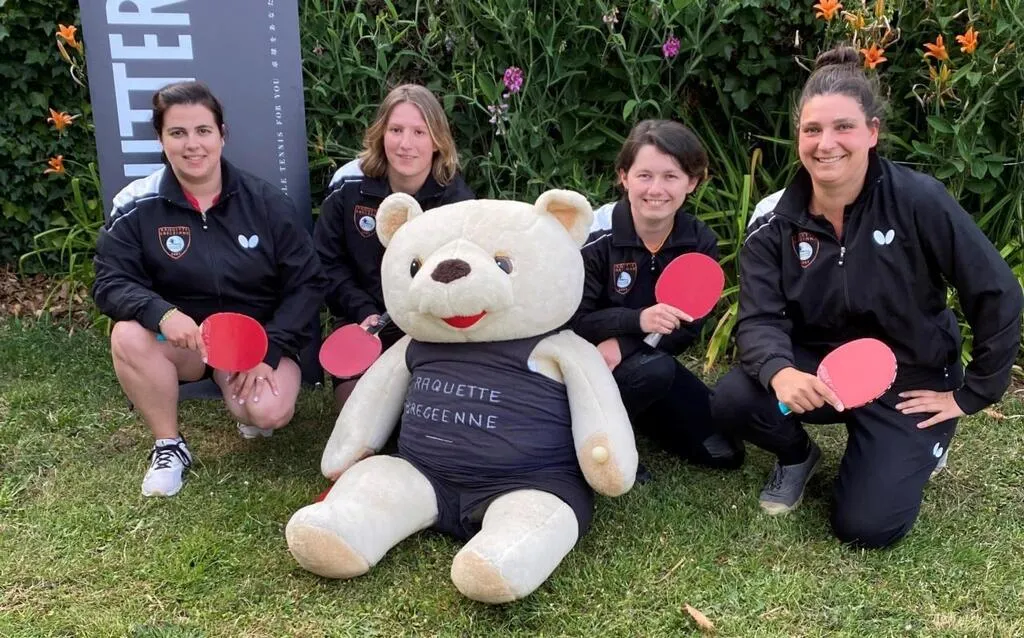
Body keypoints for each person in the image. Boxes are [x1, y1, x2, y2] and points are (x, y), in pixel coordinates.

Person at [711, 46, 1023, 548]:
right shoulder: (774, 220)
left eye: (843, 128)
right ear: (799, 138)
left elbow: (998, 292)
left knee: (866, 528)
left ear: (872, 133)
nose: (825, 143)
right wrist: (781, 372)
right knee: (735, 400)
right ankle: (797, 456)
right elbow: (759, 318)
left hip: (909, 379)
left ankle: (915, 443)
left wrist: (973, 393)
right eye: (812, 130)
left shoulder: (919, 200)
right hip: (822, 373)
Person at [92, 81, 327, 497]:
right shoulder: (135, 204)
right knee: (127, 333)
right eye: (177, 133)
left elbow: (308, 283)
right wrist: (162, 313)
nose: (192, 145)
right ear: (161, 139)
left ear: (222, 134)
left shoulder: (266, 203)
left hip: (255, 342)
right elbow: (111, 281)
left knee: (266, 413)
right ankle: (169, 445)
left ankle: (237, 391)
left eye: (203, 131)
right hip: (185, 341)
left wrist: (267, 351)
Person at [571, 119, 745, 479]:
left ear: (692, 182)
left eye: (671, 176)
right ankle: (599, 441)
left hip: (644, 359)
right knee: (657, 369)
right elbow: (572, 321)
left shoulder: (699, 242)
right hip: (586, 367)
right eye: (644, 175)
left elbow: (688, 327)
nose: (656, 189)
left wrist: (625, 341)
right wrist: (636, 320)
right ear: (624, 176)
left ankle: (638, 411)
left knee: (726, 452)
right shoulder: (593, 237)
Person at [315, 84, 474, 410]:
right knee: (356, 410)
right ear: (380, 134)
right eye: (396, 130)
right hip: (366, 325)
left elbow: (463, 277)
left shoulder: (456, 197)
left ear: (437, 141)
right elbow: (326, 264)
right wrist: (363, 311)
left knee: (430, 414)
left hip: (433, 329)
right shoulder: (348, 184)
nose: (406, 144)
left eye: (419, 132)